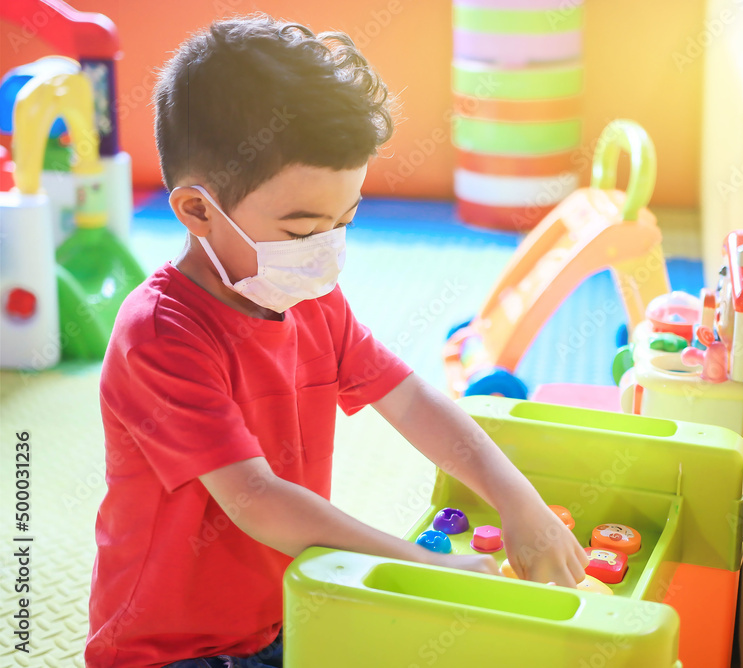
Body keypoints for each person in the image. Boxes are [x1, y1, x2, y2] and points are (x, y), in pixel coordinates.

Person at [85, 14, 587, 668]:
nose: (327, 253)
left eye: (343, 222)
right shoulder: (161, 335)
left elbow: (411, 402)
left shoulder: (313, 300)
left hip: (287, 609)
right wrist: (423, 568)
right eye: (302, 231)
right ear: (198, 210)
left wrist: (518, 499)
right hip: (167, 650)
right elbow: (257, 501)